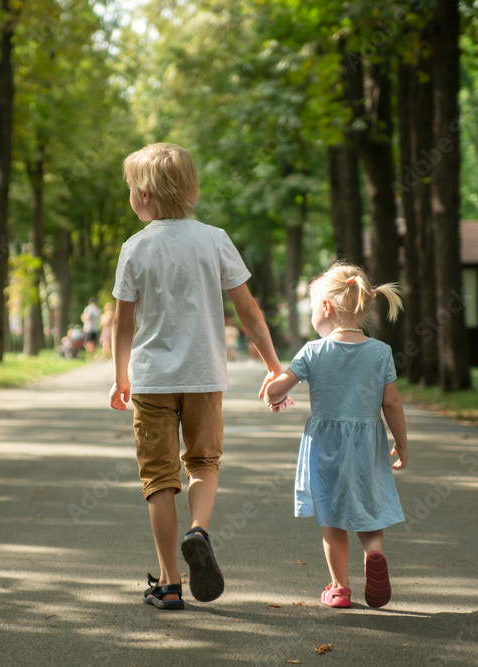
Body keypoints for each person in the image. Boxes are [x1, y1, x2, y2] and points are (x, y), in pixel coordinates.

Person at [109, 142, 281, 611]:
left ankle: (168, 582)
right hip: (205, 375)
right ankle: (198, 531)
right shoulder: (215, 238)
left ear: (144, 194)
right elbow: (248, 311)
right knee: (203, 462)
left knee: (159, 480)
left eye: (129, 188)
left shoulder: (134, 248)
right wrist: (273, 365)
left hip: (151, 380)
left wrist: (120, 375)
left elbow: (124, 322)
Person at [264, 262, 409, 610]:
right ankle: (373, 554)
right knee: (369, 510)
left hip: (325, 448)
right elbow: (391, 403)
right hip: (368, 447)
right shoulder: (381, 352)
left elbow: (276, 391)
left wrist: (274, 388)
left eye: (314, 306)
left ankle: (340, 588)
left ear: (326, 308)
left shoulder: (313, 351)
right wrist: (401, 442)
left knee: (333, 520)